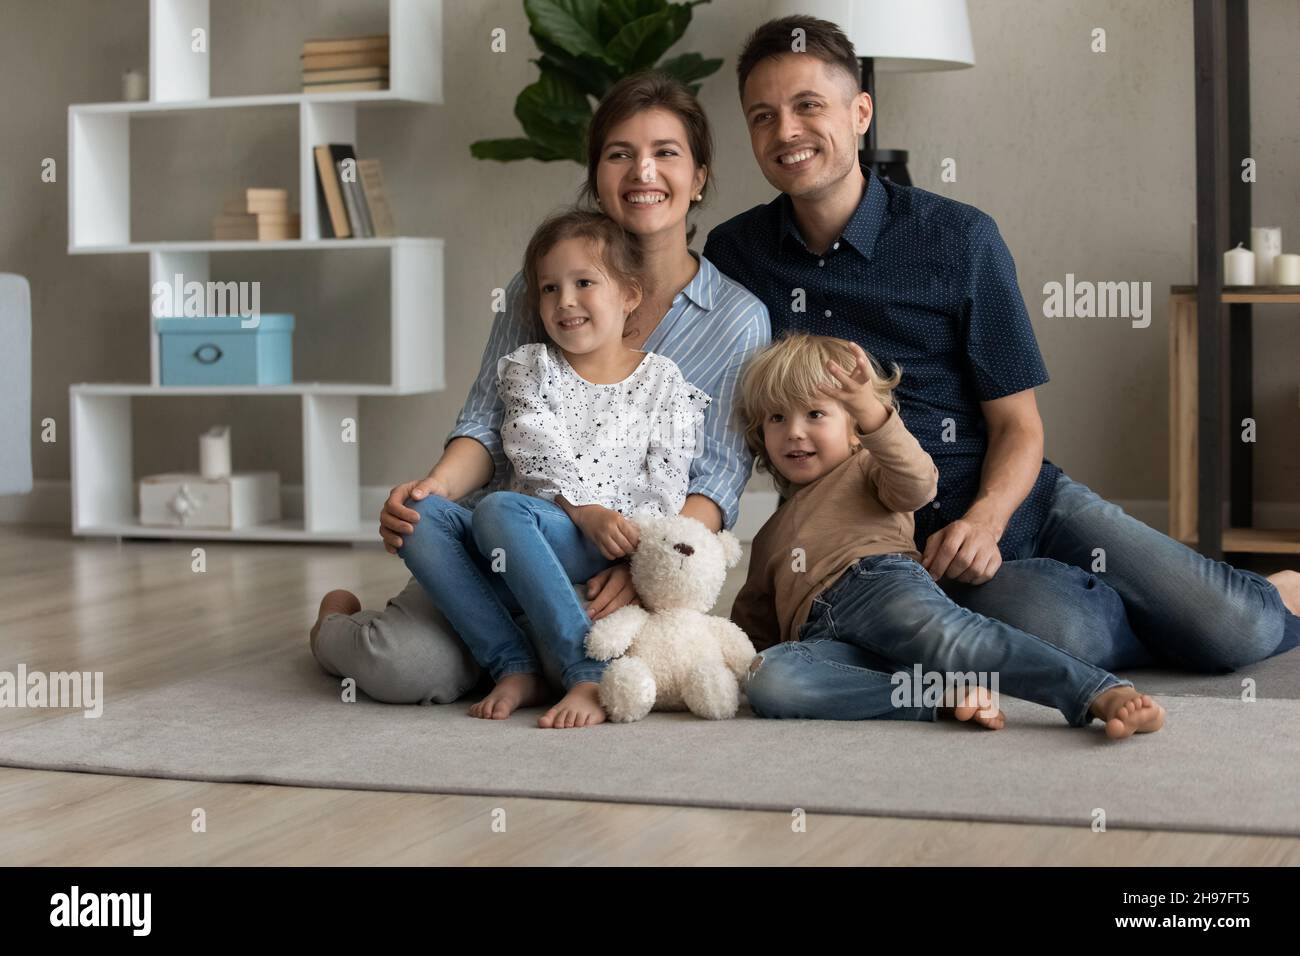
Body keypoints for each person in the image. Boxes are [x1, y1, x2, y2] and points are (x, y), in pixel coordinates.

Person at [703, 15, 1299, 708]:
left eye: (808, 106)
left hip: (1018, 499)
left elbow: (1018, 424)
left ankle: (1265, 591)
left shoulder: (959, 237)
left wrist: (985, 520)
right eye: (763, 116)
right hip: (885, 548)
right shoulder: (736, 255)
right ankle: (1115, 608)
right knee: (1062, 630)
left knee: (1236, 628)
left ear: (859, 112)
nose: (786, 132)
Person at [310, 73, 770, 725]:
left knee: (584, 657)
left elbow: (717, 477)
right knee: (400, 667)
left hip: (614, 562)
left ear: (698, 177)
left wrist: (645, 568)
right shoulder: (539, 293)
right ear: (596, 174)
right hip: (503, 535)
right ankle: (336, 628)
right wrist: (431, 490)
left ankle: (540, 662)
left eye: (666, 152)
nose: (643, 170)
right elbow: (486, 425)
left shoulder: (736, 318)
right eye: (619, 153)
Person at [733, 333, 1165, 738]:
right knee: (771, 681)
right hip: (820, 637)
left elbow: (918, 484)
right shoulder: (768, 533)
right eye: (777, 417)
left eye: (815, 414)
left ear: (853, 432)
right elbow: (753, 622)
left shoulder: (866, 468)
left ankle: (1095, 691)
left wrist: (872, 415)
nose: (794, 431)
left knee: (960, 639)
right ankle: (934, 696)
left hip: (878, 587)